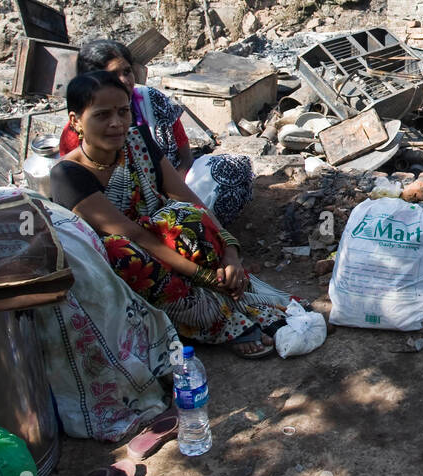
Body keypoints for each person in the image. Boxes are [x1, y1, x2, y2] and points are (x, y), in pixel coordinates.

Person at [51, 71, 290, 358]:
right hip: (118, 267)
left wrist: (230, 251)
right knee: (123, 253)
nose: (116, 123)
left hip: (159, 243)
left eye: (123, 112)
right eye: (102, 115)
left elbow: (187, 198)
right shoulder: (68, 175)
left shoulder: (137, 143)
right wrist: (205, 277)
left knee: (188, 218)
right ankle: (219, 320)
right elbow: (134, 235)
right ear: (76, 121)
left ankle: (232, 289)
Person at [59, 39, 255, 224]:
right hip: (119, 213)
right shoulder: (75, 138)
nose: (124, 80)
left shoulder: (150, 101)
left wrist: (175, 189)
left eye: (127, 71)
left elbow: (184, 151)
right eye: (113, 75)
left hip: (172, 187)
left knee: (229, 171)